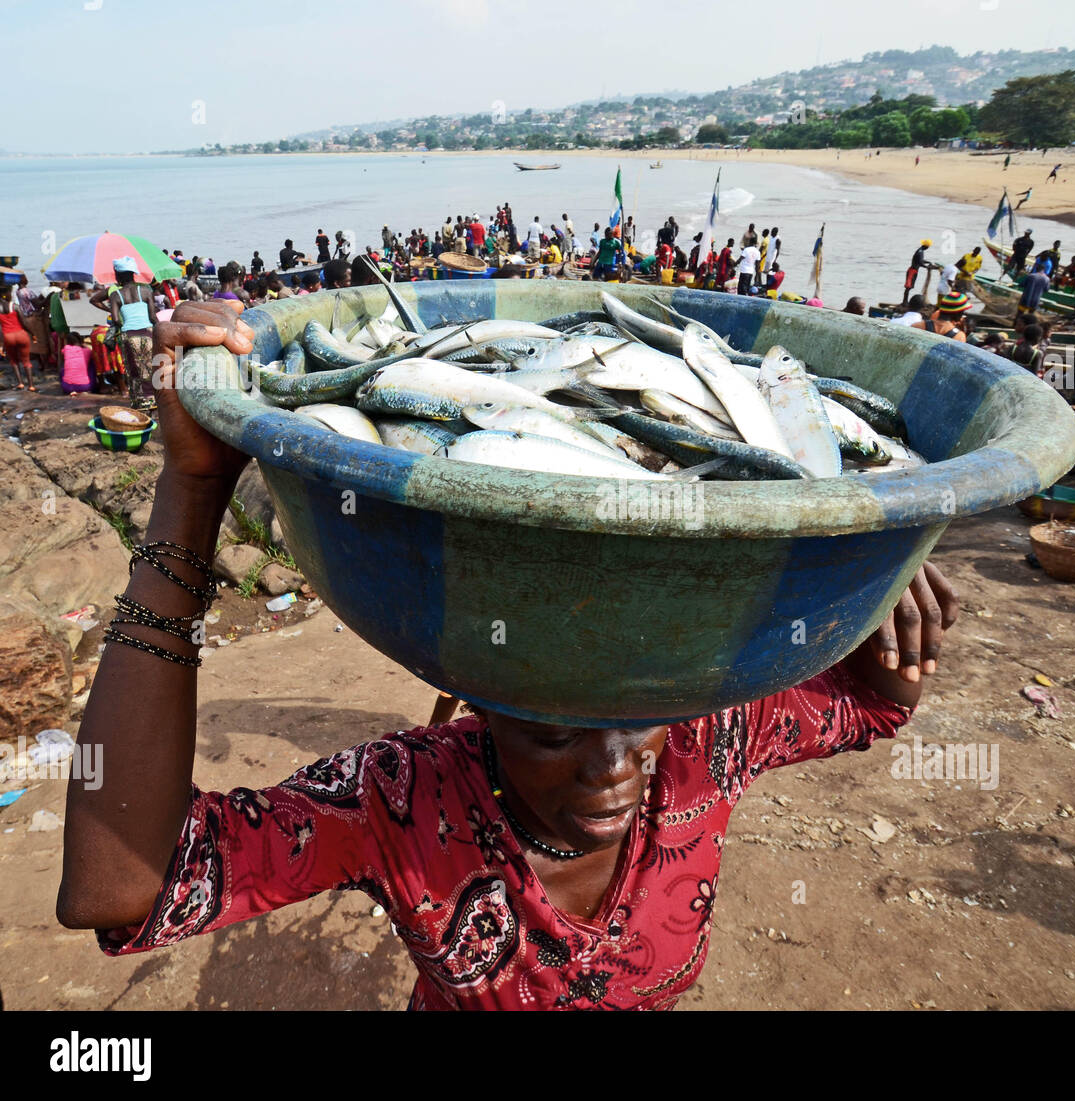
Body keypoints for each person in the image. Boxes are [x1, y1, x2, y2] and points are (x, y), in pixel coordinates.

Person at [56, 300, 960, 1012]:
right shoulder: (400, 805)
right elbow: (120, 889)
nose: (613, 765)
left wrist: (890, 605)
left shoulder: (704, 742)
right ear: (480, 696)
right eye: (555, 731)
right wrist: (191, 485)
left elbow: (871, 707)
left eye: (637, 717)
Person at [106, 256, 159, 409]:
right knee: (150, 367)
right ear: (133, 274)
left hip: (129, 336)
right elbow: (152, 317)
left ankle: (140, 404)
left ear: (118, 275)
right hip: (148, 334)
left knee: (134, 371)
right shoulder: (145, 291)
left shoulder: (116, 295)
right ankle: (155, 401)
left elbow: (115, 319)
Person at [0, 286, 36, 391]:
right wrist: (33, 334)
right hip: (21, 335)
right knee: (26, 360)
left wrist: (1, 345)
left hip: (8, 336)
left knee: (13, 361)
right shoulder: (15, 306)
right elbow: (24, 322)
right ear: (7, 294)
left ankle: (20, 383)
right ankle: (31, 385)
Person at [902, 239, 933, 303]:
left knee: (909, 287)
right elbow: (920, 262)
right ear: (927, 246)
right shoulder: (920, 252)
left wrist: (928, 262)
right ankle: (905, 302)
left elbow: (920, 260)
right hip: (912, 271)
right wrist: (926, 266)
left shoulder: (920, 251)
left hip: (914, 271)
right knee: (908, 287)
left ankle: (905, 301)